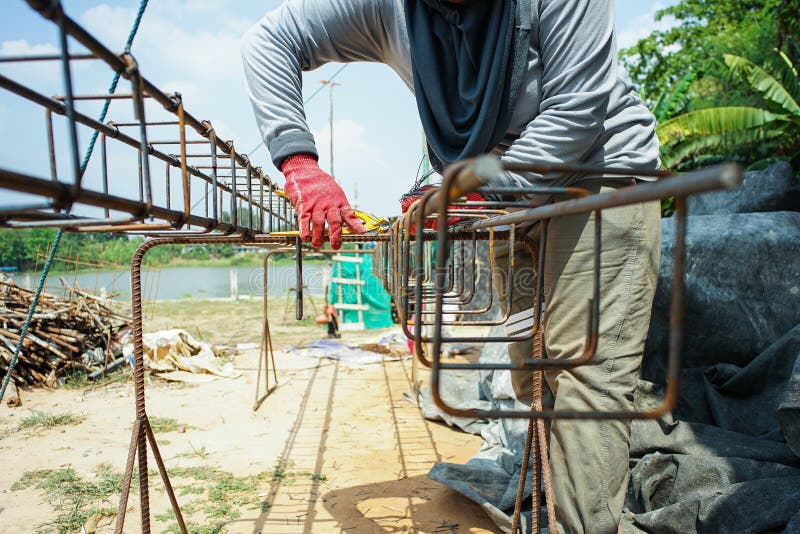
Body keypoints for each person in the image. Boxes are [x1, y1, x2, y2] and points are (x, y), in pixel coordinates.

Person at [241, 1, 661, 532]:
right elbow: (268, 41)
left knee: (584, 369)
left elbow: (578, 108)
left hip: (596, 173)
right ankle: (556, 508)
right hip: (500, 199)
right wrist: (298, 161)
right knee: (533, 368)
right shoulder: (383, 7)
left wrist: (470, 192)